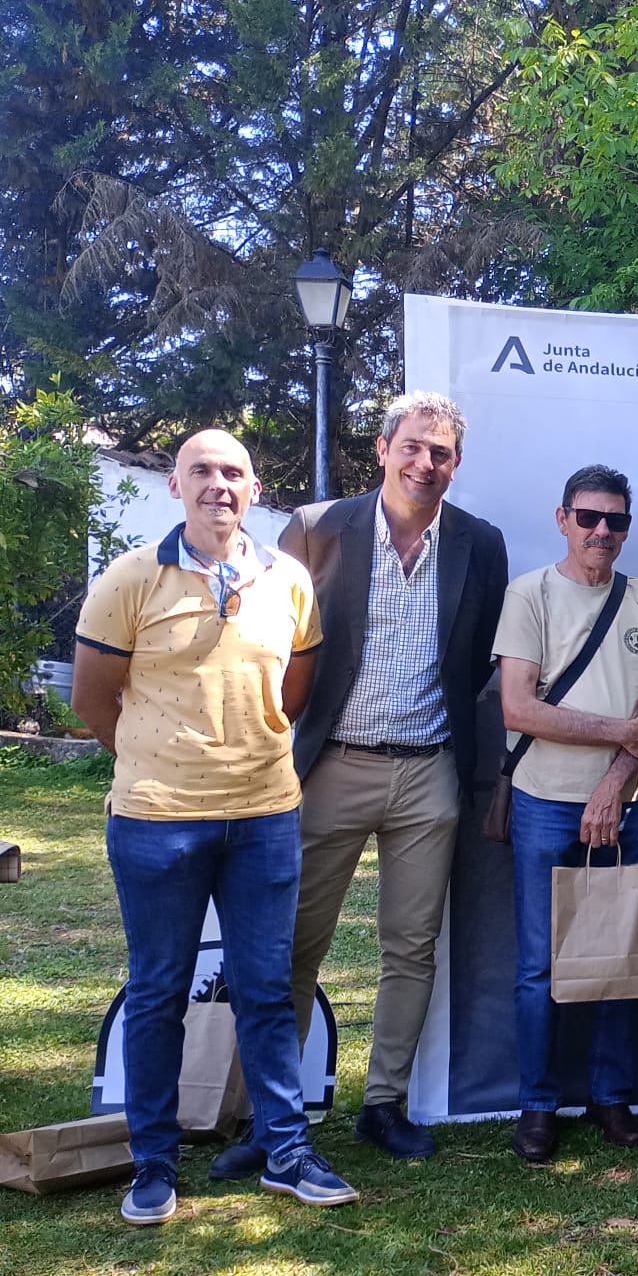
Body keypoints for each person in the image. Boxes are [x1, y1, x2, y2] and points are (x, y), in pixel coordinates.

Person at [208, 391, 508, 1178]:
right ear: (382, 449)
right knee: (291, 949)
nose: (425, 463)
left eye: (440, 453)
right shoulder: (316, 529)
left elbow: (477, 663)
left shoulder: (480, 543)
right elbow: (270, 647)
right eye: (412, 447)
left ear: (456, 464)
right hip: (328, 766)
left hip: (429, 773)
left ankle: (385, 1105)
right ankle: (265, 1118)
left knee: (410, 949)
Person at [72, 429, 359, 1223]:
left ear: (255, 489)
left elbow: (290, 695)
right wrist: (157, 761)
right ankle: (154, 1163)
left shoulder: (288, 580)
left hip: (265, 816)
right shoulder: (131, 578)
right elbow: (93, 700)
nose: (218, 485)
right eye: (202, 470)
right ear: (176, 485)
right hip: (157, 821)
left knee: (266, 988)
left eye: (233, 472)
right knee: (159, 990)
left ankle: (286, 1150)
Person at [494, 465, 638, 1162]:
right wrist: (619, 735)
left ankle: (611, 1096)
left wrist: (616, 781)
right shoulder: (528, 594)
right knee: (540, 964)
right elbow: (518, 708)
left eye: (616, 521)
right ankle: (538, 1104)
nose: (602, 531)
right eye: (589, 517)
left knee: (622, 953)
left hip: (632, 804)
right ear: (562, 518)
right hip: (542, 799)